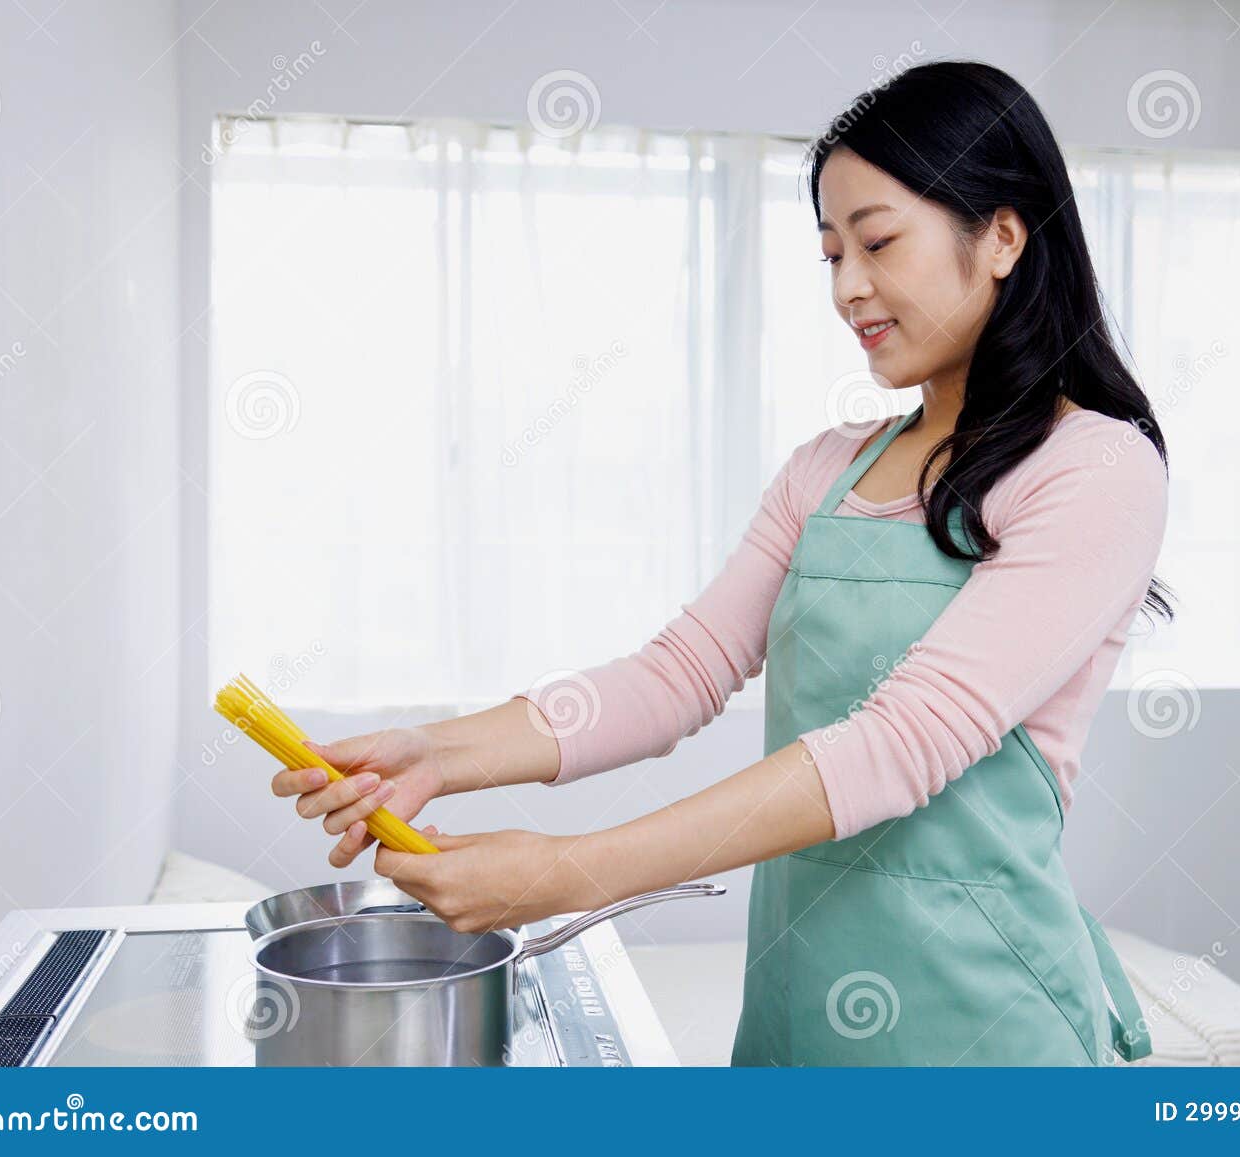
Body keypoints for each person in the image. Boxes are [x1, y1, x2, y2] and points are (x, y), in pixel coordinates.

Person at [271, 59, 1171, 1066]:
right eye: (830, 253)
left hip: (985, 1032)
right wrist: (439, 752)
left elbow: (900, 743)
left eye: (877, 242)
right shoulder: (828, 468)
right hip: (797, 1007)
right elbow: (678, 673)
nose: (847, 288)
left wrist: (575, 872)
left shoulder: (1093, 468)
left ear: (1003, 234)